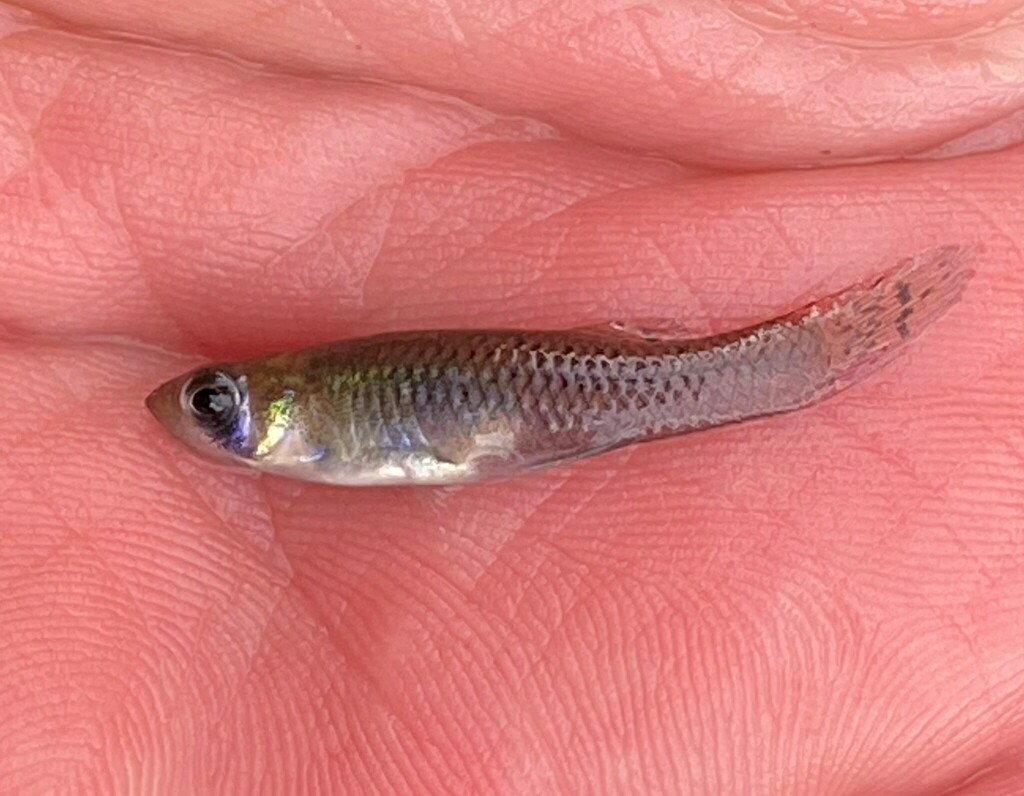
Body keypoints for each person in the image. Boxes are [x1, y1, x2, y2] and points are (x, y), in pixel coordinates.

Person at [1, 2, 1020, 793]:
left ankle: (798, 361)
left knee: (694, 383)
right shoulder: (315, 424)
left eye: (214, 402)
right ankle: (793, 364)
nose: (204, 416)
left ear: (282, 397)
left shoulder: (317, 410)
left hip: (536, 407)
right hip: (526, 419)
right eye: (211, 406)